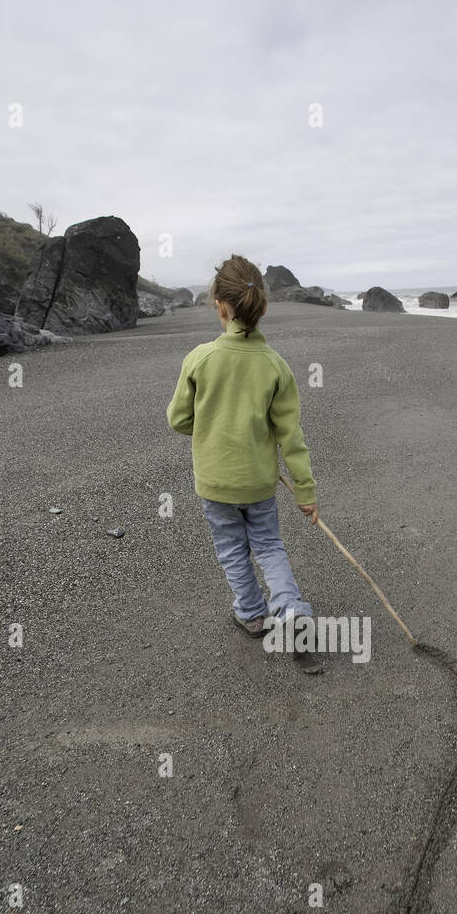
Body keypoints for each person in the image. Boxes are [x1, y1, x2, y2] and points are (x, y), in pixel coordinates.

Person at [166, 254, 322, 673]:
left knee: (232, 548)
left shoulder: (200, 358)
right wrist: (305, 492)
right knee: (268, 544)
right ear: (263, 307)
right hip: (259, 483)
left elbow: (178, 419)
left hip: (216, 482)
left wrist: (210, 429)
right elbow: (291, 437)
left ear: (220, 305)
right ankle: (289, 610)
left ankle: (253, 614)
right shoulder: (275, 366)